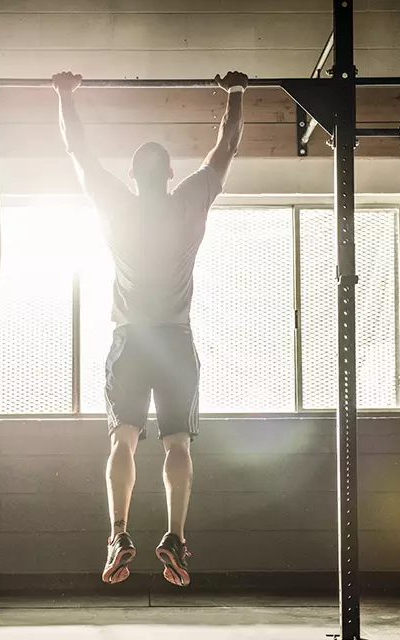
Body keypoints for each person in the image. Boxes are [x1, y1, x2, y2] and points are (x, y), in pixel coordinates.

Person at [52, 70, 247, 587]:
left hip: (129, 340)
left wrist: (65, 94)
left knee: (123, 440)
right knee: (177, 445)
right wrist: (235, 94)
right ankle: (174, 538)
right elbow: (226, 146)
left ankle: (118, 533)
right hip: (175, 341)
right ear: (170, 173)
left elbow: (77, 150)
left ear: (134, 175)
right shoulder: (190, 203)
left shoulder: (117, 205)